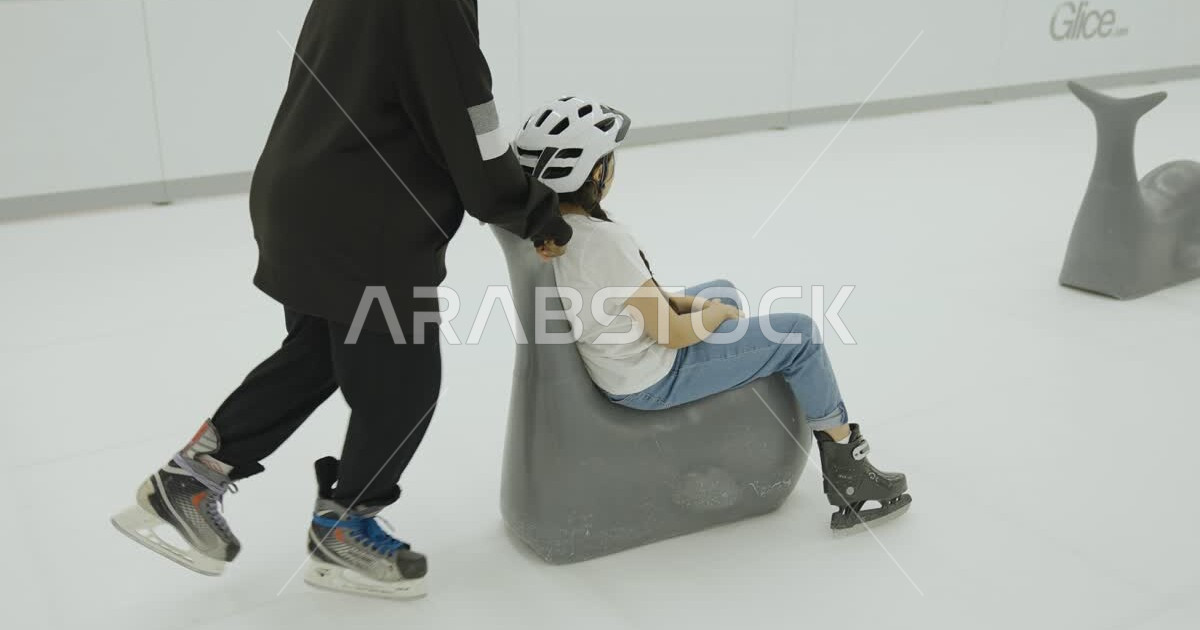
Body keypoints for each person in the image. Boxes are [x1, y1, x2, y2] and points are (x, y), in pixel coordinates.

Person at [111, 0, 569, 599]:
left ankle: (190, 479)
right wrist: (531, 207)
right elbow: (467, 117)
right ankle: (346, 525)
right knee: (403, 387)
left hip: (304, 194)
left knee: (320, 355)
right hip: (361, 217)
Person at [513, 97, 912, 533]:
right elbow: (670, 333)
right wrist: (715, 315)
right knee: (799, 335)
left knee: (722, 290)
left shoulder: (556, 233)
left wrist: (707, 306)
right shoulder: (603, 241)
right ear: (594, 172)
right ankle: (848, 470)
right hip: (649, 377)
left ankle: (738, 400)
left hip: (616, 356)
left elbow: (638, 298)